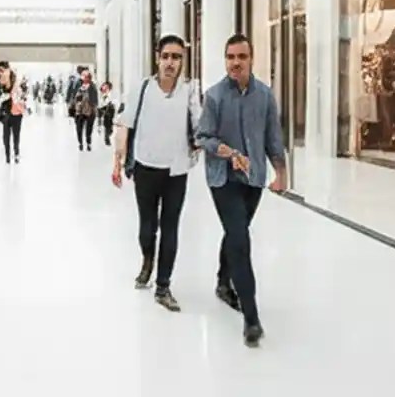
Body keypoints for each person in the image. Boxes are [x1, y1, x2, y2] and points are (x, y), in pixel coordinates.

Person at [195, 34, 287, 347]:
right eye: (230, 57)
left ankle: (223, 281)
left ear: (251, 59)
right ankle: (251, 318)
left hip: (254, 179)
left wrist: (281, 174)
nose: (236, 62)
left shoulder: (264, 95)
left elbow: (273, 137)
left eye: (242, 57)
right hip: (223, 180)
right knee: (240, 239)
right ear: (225, 60)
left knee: (236, 233)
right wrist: (227, 151)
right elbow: (202, 137)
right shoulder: (215, 96)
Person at [112, 35, 201, 312]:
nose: (170, 63)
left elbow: (199, 125)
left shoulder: (190, 90)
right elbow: (125, 124)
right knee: (147, 227)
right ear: (157, 58)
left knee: (171, 226)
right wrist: (118, 161)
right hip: (145, 166)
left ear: (182, 62)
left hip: (176, 170)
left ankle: (163, 285)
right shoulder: (142, 88)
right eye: (166, 56)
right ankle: (147, 258)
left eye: (176, 57)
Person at [0, 61, 23, 163]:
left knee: (15, 136)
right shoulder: (2, 81)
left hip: (15, 112)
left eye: (1, 70)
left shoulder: (14, 81)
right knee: (7, 136)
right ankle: (9, 156)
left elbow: (19, 96)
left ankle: (15, 154)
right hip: (8, 112)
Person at [70, 68, 98, 151]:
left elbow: (95, 100)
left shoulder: (92, 87)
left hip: (90, 110)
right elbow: (75, 96)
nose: (85, 78)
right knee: (79, 127)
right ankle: (80, 143)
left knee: (89, 128)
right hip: (80, 111)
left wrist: (94, 108)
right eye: (84, 77)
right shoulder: (78, 85)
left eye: (87, 77)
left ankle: (88, 143)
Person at [99, 81, 117, 146]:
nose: (105, 88)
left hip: (111, 110)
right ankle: (107, 139)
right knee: (107, 126)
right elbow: (101, 104)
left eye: (106, 87)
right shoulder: (102, 94)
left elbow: (114, 101)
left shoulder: (111, 94)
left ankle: (108, 135)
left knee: (110, 127)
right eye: (104, 86)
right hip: (105, 111)